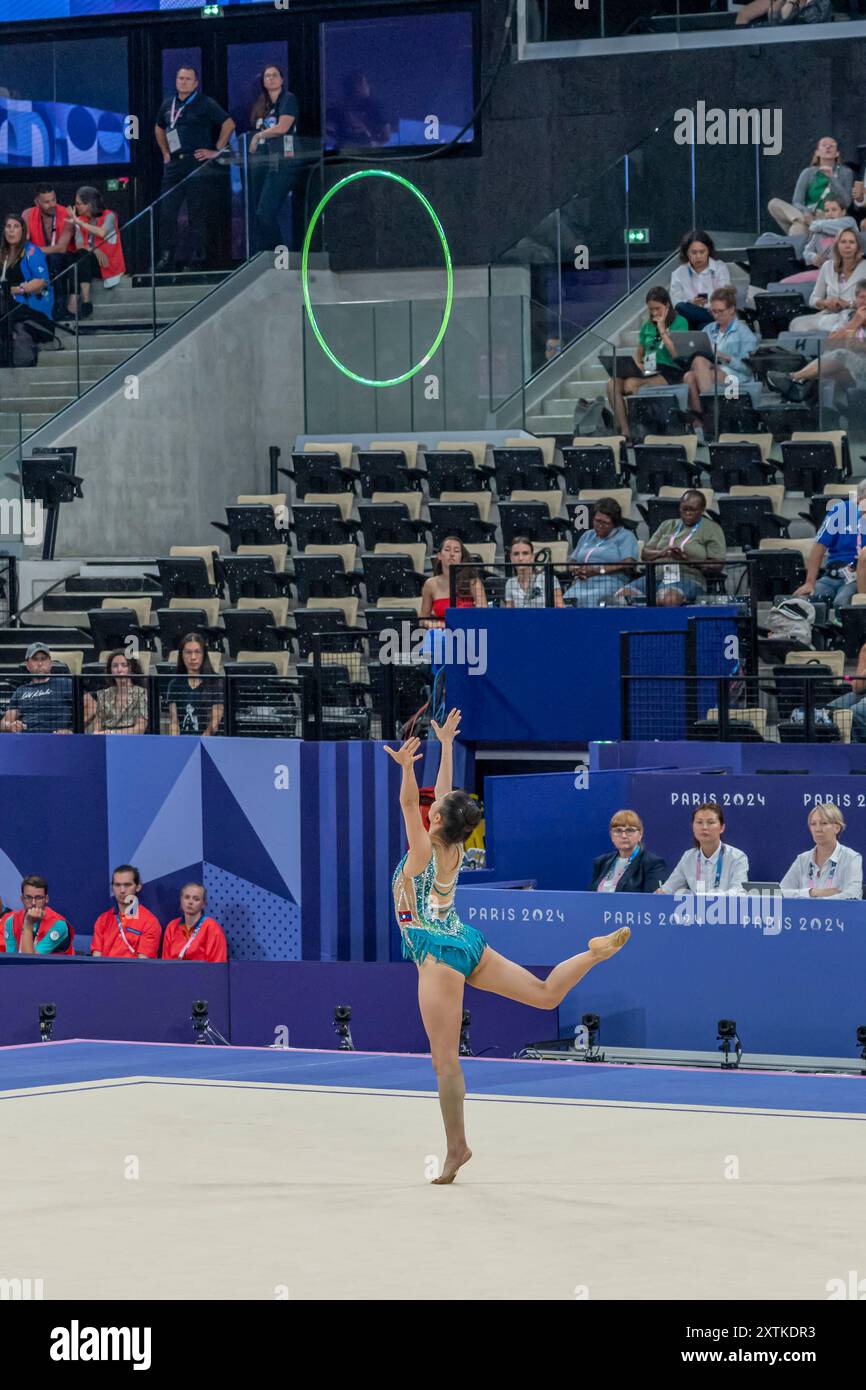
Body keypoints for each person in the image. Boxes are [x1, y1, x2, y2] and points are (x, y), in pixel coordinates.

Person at [387, 709, 630, 1184]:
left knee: (445, 1062)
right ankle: (591, 953)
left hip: (437, 954)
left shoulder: (423, 852)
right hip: (463, 939)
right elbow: (443, 799)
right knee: (544, 995)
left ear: (434, 818)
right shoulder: (453, 847)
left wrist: (406, 767)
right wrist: (445, 745)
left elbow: (409, 803)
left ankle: (457, 1148)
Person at [154, 66, 235, 273]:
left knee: (196, 214)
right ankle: (166, 258)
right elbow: (159, 127)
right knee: (167, 212)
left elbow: (228, 124)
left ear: (196, 83)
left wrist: (215, 150)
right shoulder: (168, 104)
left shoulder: (205, 103)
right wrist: (164, 152)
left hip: (196, 163)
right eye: (180, 78)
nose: (183, 82)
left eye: (188, 79)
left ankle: (197, 259)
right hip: (174, 164)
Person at [615, 489, 726, 607]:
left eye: (692, 510)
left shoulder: (712, 529)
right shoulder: (667, 525)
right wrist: (662, 553)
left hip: (687, 578)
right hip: (656, 577)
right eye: (684, 509)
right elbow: (645, 554)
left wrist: (687, 560)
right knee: (621, 596)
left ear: (702, 510)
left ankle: (654, 614)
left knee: (669, 599)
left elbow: (717, 565)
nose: (687, 513)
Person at [605, 287, 689, 440]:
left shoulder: (680, 322)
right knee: (612, 383)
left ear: (667, 305)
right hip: (649, 369)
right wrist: (637, 364)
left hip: (670, 369)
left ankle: (639, 428)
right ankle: (625, 431)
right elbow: (639, 353)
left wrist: (662, 329)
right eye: (651, 310)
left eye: (658, 308)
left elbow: (678, 354)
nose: (655, 313)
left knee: (631, 384)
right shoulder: (647, 326)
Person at [769, 287, 866, 404]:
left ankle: (794, 378)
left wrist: (860, 346)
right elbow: (830, 344)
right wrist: (854, 323)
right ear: (855, 299)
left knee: (841, 355)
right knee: (832, 371)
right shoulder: (848, 316)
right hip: (851, 370)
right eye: (862, 297)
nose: (865, 301)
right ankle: (819, 409)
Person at [683, 286, 757, 435]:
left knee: (700, 367)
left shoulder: (744, 333)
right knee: (689, 375)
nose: (716, 316)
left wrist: (724, 356)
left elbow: (749, 368)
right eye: (713, 311)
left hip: (735, 378)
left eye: (720, 311)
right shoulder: (708, 330)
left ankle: (705, 420)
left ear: (731, 309)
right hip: (709, 373)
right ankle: (707, 417)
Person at [787, 479, 866, 610]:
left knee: (842, 603)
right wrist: (810, 582)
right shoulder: (841, 510)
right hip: (832, 575)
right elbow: (820, 546)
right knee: (802, 603)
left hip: (858, 578)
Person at [248, 64, 303, 253]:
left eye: (274, 75)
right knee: (259, 212)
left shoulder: (288, 99)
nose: (270, 78)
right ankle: (266, 253)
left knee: (266, 211)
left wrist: (258, 136)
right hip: (265, 163)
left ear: (281, 79)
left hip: (285, 162)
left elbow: (282, 127)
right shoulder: (262, 104)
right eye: (267, 76)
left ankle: (280, 255)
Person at [767, 138, 854, 240]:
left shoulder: (846, 173)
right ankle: (806, 223)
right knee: (774, 204)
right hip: (808, 215)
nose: (828, 147)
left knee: (797, 228)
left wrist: (832, 177)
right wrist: (806, 212)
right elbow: (797, 202)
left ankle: (808, 226)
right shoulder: (808, 173)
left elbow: (847, 202)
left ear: (837, 153)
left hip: (828, 216)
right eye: (824, 145)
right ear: (817, 152)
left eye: (832, 145)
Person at [0, 213, 54, 368]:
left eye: (16, 227)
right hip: (8, 308)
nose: (11, 231)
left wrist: (18, 289)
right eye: (8, 227)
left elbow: (41, 281)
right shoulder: (2, 254)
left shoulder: (31, 251)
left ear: (23, 231)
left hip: (32, 311)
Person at [659, 802, 749, 895]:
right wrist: (659, 894)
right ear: (693, 827)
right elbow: (668, 888)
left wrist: (706, 898)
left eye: (710, 822)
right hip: (696, 909)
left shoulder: (737, 857)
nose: (704, 827)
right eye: (699, 822)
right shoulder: (688, 857)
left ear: (722, 827)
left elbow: (739, 892)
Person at [787, 228, 866, 334]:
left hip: (854, 315)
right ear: (837, 245)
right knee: (796, 324)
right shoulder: (827, 266)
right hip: (828, 314)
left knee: (839, 325)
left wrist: (849, 304)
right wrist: (825, 303)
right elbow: (813, 299)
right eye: (843, 242)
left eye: (851, 242)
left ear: (858, 246)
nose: (847, 246)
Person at [63, 186, 125, 320]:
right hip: (90, 262)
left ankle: (73, 306)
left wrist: (79, 223)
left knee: (79, 259)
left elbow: (102, 232)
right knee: (79, 257)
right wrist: (95, 250)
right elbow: (80, 246)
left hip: (108, 263)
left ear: (89, 204)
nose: (76, 207)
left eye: (79, 204)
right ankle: (85, 301)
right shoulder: (81, 221)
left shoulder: (110, 215)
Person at [564, 497, 640, 606]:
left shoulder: (626, 536)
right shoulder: (587, 535)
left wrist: (599, 570)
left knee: (590, 600)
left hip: (610, 582)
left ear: (614, 523)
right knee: (565, 602)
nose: (600, 525)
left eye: (605, 523)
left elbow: (629, 563)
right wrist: (576, 570)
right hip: (582, 582)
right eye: (597, 521)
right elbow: (572, 561)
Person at [781, 805, 863, 899]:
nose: (817, 829)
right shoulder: (802, 859)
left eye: (824, 823)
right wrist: (812, 892)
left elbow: (853, 896)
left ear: (837, 828)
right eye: (813, 824)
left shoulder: (851, 858)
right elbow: (781, 893)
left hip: (837, 913)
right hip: (803, 913)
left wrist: (818, 904)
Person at [779, 197, 856, 286]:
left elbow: (821, 225)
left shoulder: (849, 222)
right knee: (784, 284)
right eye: (827, 211)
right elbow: (806, 252)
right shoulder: (819, 231)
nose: (830, 213)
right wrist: (813, 257)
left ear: (843, 212)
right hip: (823, 272)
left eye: (834, 210)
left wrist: (813, 223)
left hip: (848, 272)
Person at [91, 865, 162, 958]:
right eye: (117, 885)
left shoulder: (150, 922)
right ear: (112, 887)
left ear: (138, 887)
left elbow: (144, 965)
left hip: (134, 972)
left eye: (127, 885)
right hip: (104, 971)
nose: (122, 890)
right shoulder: (102, 920)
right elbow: (96, 959)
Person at [588, 810, 668, 893]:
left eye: (630, 830)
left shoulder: (653, 864)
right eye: (618, 831)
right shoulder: (601, 862)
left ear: (640, 834)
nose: (624, 836)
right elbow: (591, 898)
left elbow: (653, 901)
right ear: (611, 835)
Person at [0, 641, 73, 733]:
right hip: (28, 739)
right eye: (35, 659)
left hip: (58, 738)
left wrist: (72, 730)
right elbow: (4, 722)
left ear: (50, 663)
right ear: (27, 665)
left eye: (43, 659)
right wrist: (10, 726)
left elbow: (91, 706)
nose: (40, 663)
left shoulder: (65, 683)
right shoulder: (20, 691)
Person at [21, 186, 74, 310]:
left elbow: (61, 248)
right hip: (37, 258)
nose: (52, 204)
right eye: (47, 202)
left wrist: (36, 251)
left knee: (54, 258)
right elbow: (24, 242)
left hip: (64, 258)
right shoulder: (27, 214)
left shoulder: (66, 213)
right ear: (37, 202)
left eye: (54, 200)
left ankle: (58, 305)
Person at [420, 536, 487, 628]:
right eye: (447, 550)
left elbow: (483, 614)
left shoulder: (473, 582)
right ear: (439, 555)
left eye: (456, 551)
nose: (452, 554)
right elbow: (423, 619)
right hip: (441, 633)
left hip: (468, 631)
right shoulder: (430, 584)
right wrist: (436, 625)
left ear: (461, 557)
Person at [669, 231, 732, 329]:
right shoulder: (678, 273)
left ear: (708, 251)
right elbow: (676, 302)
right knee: (681, 307)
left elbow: (725, 297)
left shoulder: (720, 267)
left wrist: (712, 305)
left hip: (714, 313)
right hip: (689, 316)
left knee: (704, 325)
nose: (698, 256)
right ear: (686, 253)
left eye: (702, 252)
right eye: (694, 252)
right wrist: (691, 303)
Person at [166, 633, 224, 736]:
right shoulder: (175, 684)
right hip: (183, 743)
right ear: (181, 655)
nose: (193, 657)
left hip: (208, 742)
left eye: (198, 652)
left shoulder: (216, 682)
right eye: (188, 652)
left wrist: (198, 744)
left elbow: (214, 723)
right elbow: (174, 723)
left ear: (204, 655)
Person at [3, 876, 74, 955]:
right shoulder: (11, 922)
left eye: (38, 897)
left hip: (57, 967)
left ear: (46, 899)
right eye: (28, 897)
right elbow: (11, 958)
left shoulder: (58, 925)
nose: (33, 903)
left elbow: (31, 962)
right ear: (22, 899)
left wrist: (28, 925)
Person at [84, 650, 148, 734]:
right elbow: (97, 728)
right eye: (115, 666)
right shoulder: (103, 694)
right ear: (110, 670)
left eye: (124, 665)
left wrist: (112, 733)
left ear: (131, 669)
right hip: (106, 741)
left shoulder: (142, 694)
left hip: (132, 741)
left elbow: (140, 729)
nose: (119, 670)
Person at [161, 883, 227, 962]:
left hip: (203, 974)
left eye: (196, 899)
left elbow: (217, 966)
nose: (190, 902)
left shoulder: (213, 929)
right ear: (181, 900)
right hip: (175, 973)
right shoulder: (172, 926)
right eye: (187, 897)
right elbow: (165, 964)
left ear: (203, 904)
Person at [504, 535, 563, 608]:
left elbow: (560, 609)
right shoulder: (510, 583)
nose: (520, 558)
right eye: (516, 554)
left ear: (532, 557)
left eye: (525, 553)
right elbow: (509, 612)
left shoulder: (550, 580)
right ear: (511, 558)